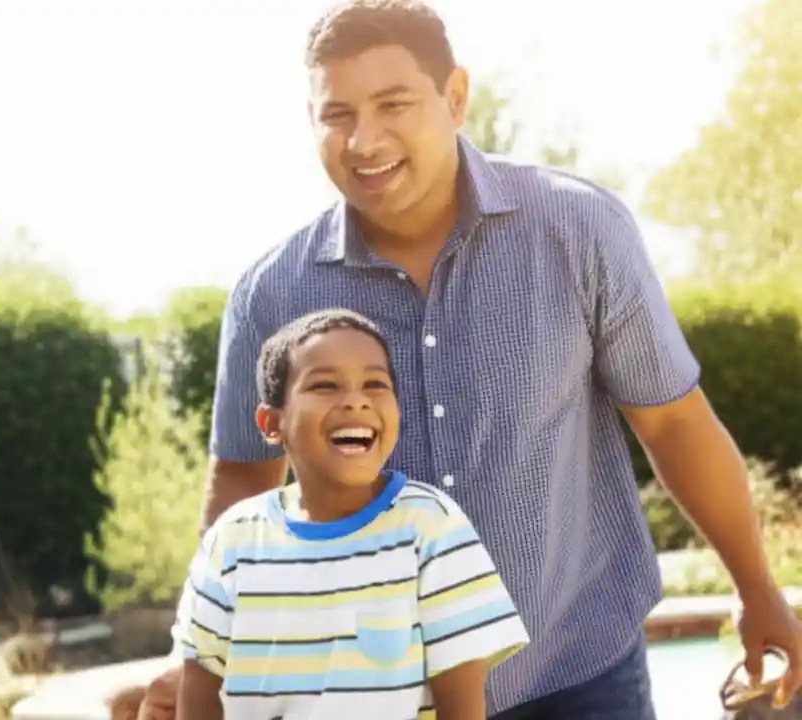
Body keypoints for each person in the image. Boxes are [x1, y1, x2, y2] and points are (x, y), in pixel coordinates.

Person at [127, 0, 802, 717]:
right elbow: (242, 477)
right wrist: (195, 655)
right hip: (382, 692)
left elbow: (673, 425)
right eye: (337, 116)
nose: (364, 140)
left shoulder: (579, 231)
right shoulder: (272, 292)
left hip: (580, 671)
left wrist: (758, 592)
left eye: (393, 104)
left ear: (454, 97)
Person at [176, 309, 529, 719]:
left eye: (375, 384)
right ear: (273, 423)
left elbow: (463, 708)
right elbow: (198, 692)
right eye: (325, 384)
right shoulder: (232, 541)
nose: (357, 400)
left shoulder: (430, 528)